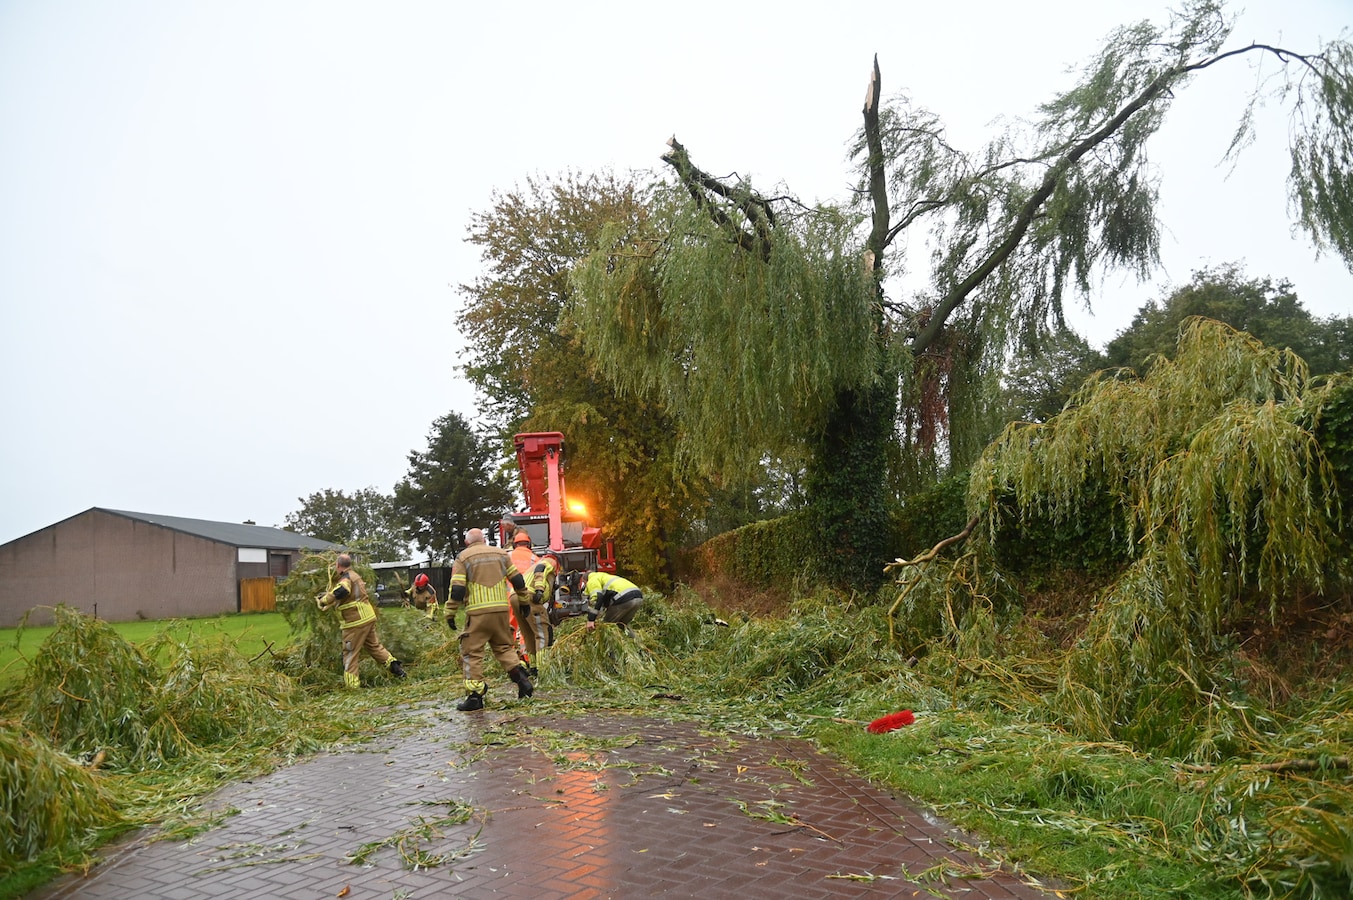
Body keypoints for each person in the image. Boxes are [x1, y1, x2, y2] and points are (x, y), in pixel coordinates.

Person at [447, 527, 534, 711]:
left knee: (472, 653)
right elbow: (518, 580)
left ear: (467, 542)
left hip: (478, 613)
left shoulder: (463, 557)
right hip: (501, 611)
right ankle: (523, 681)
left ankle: (475, 697)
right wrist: (524, 601)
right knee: (504, 648)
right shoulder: (501, 554)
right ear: (484, 540)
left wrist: (450, 612)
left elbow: (457, 589)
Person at [316, 553, 407, 688]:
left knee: (350, 653)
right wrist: (330, 596)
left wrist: (324, 600)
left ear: (338, 566)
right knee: (374, 647)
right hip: (367, 618)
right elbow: (346, 594)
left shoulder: (346, 579)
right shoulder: (355, 576)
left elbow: (342, 590)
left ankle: (352, 687)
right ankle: (395, 667)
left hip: (355, 622)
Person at [509, 529, 546, 666]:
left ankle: (512, 657)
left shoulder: (508, 556)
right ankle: (528, 657)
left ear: (514, 544)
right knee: (526, 628)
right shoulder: (535, 559)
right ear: (529, 544)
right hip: (526, 596)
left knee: (510, 626)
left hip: (508, 597)